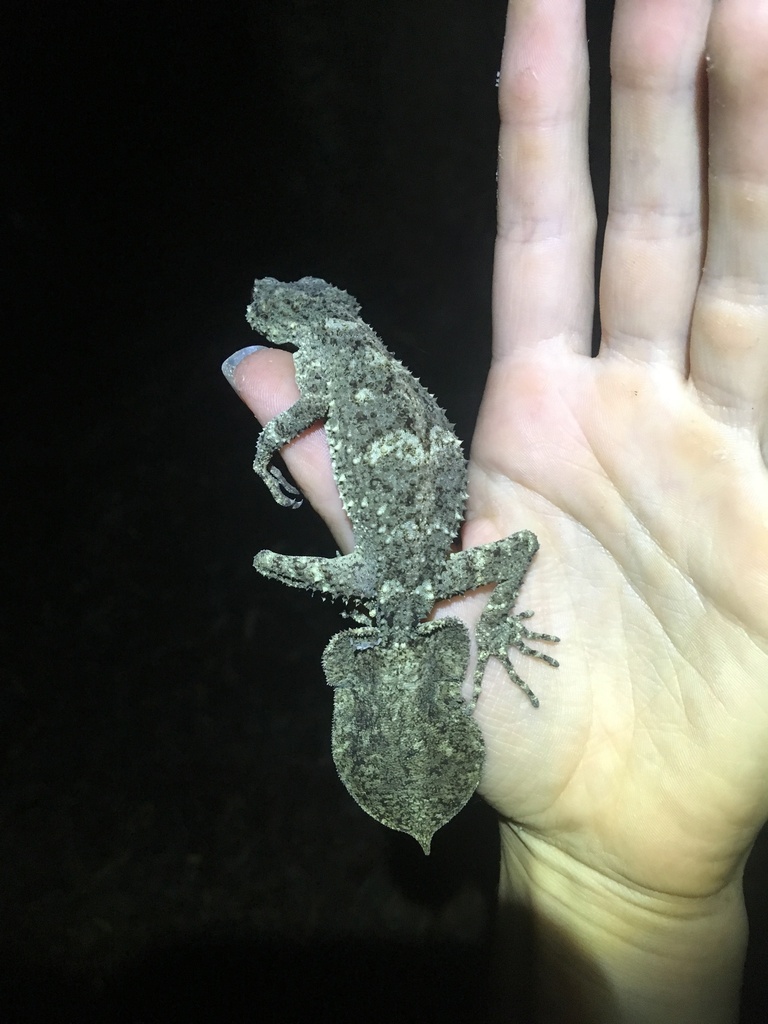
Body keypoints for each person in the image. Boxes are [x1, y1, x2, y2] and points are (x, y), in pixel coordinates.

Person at [224, 1, 768, 1020]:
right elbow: (301, 541)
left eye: (283, 309)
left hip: (416, 555)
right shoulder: (355, 364)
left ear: (312, 320)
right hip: (420, 553)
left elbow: (288, 532)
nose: (273, 313)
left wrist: (274, 489)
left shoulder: (338, 372)